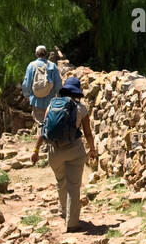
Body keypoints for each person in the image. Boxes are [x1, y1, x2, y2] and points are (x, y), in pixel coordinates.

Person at [30, 78, 97, 231]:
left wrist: (35, 151)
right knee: (73, 186)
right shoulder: (81, 109)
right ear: (77, 92)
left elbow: (43, 130)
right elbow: (88, 133)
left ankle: (63, 212)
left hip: (55, 151)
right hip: (74, 150)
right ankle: (72, 223)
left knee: (61, 181)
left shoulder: (51, 105)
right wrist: (92, 150)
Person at [22, 45, 62, 124]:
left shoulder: (31, 66)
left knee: (40, 124)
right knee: (50, 123)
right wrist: (59, 97)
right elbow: (58, 84)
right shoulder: (52, 65)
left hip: (36, 101)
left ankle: (40, 135)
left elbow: (27, 84)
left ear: (36, 54)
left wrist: (28, 95)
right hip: (51, 101)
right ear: (46, 54)